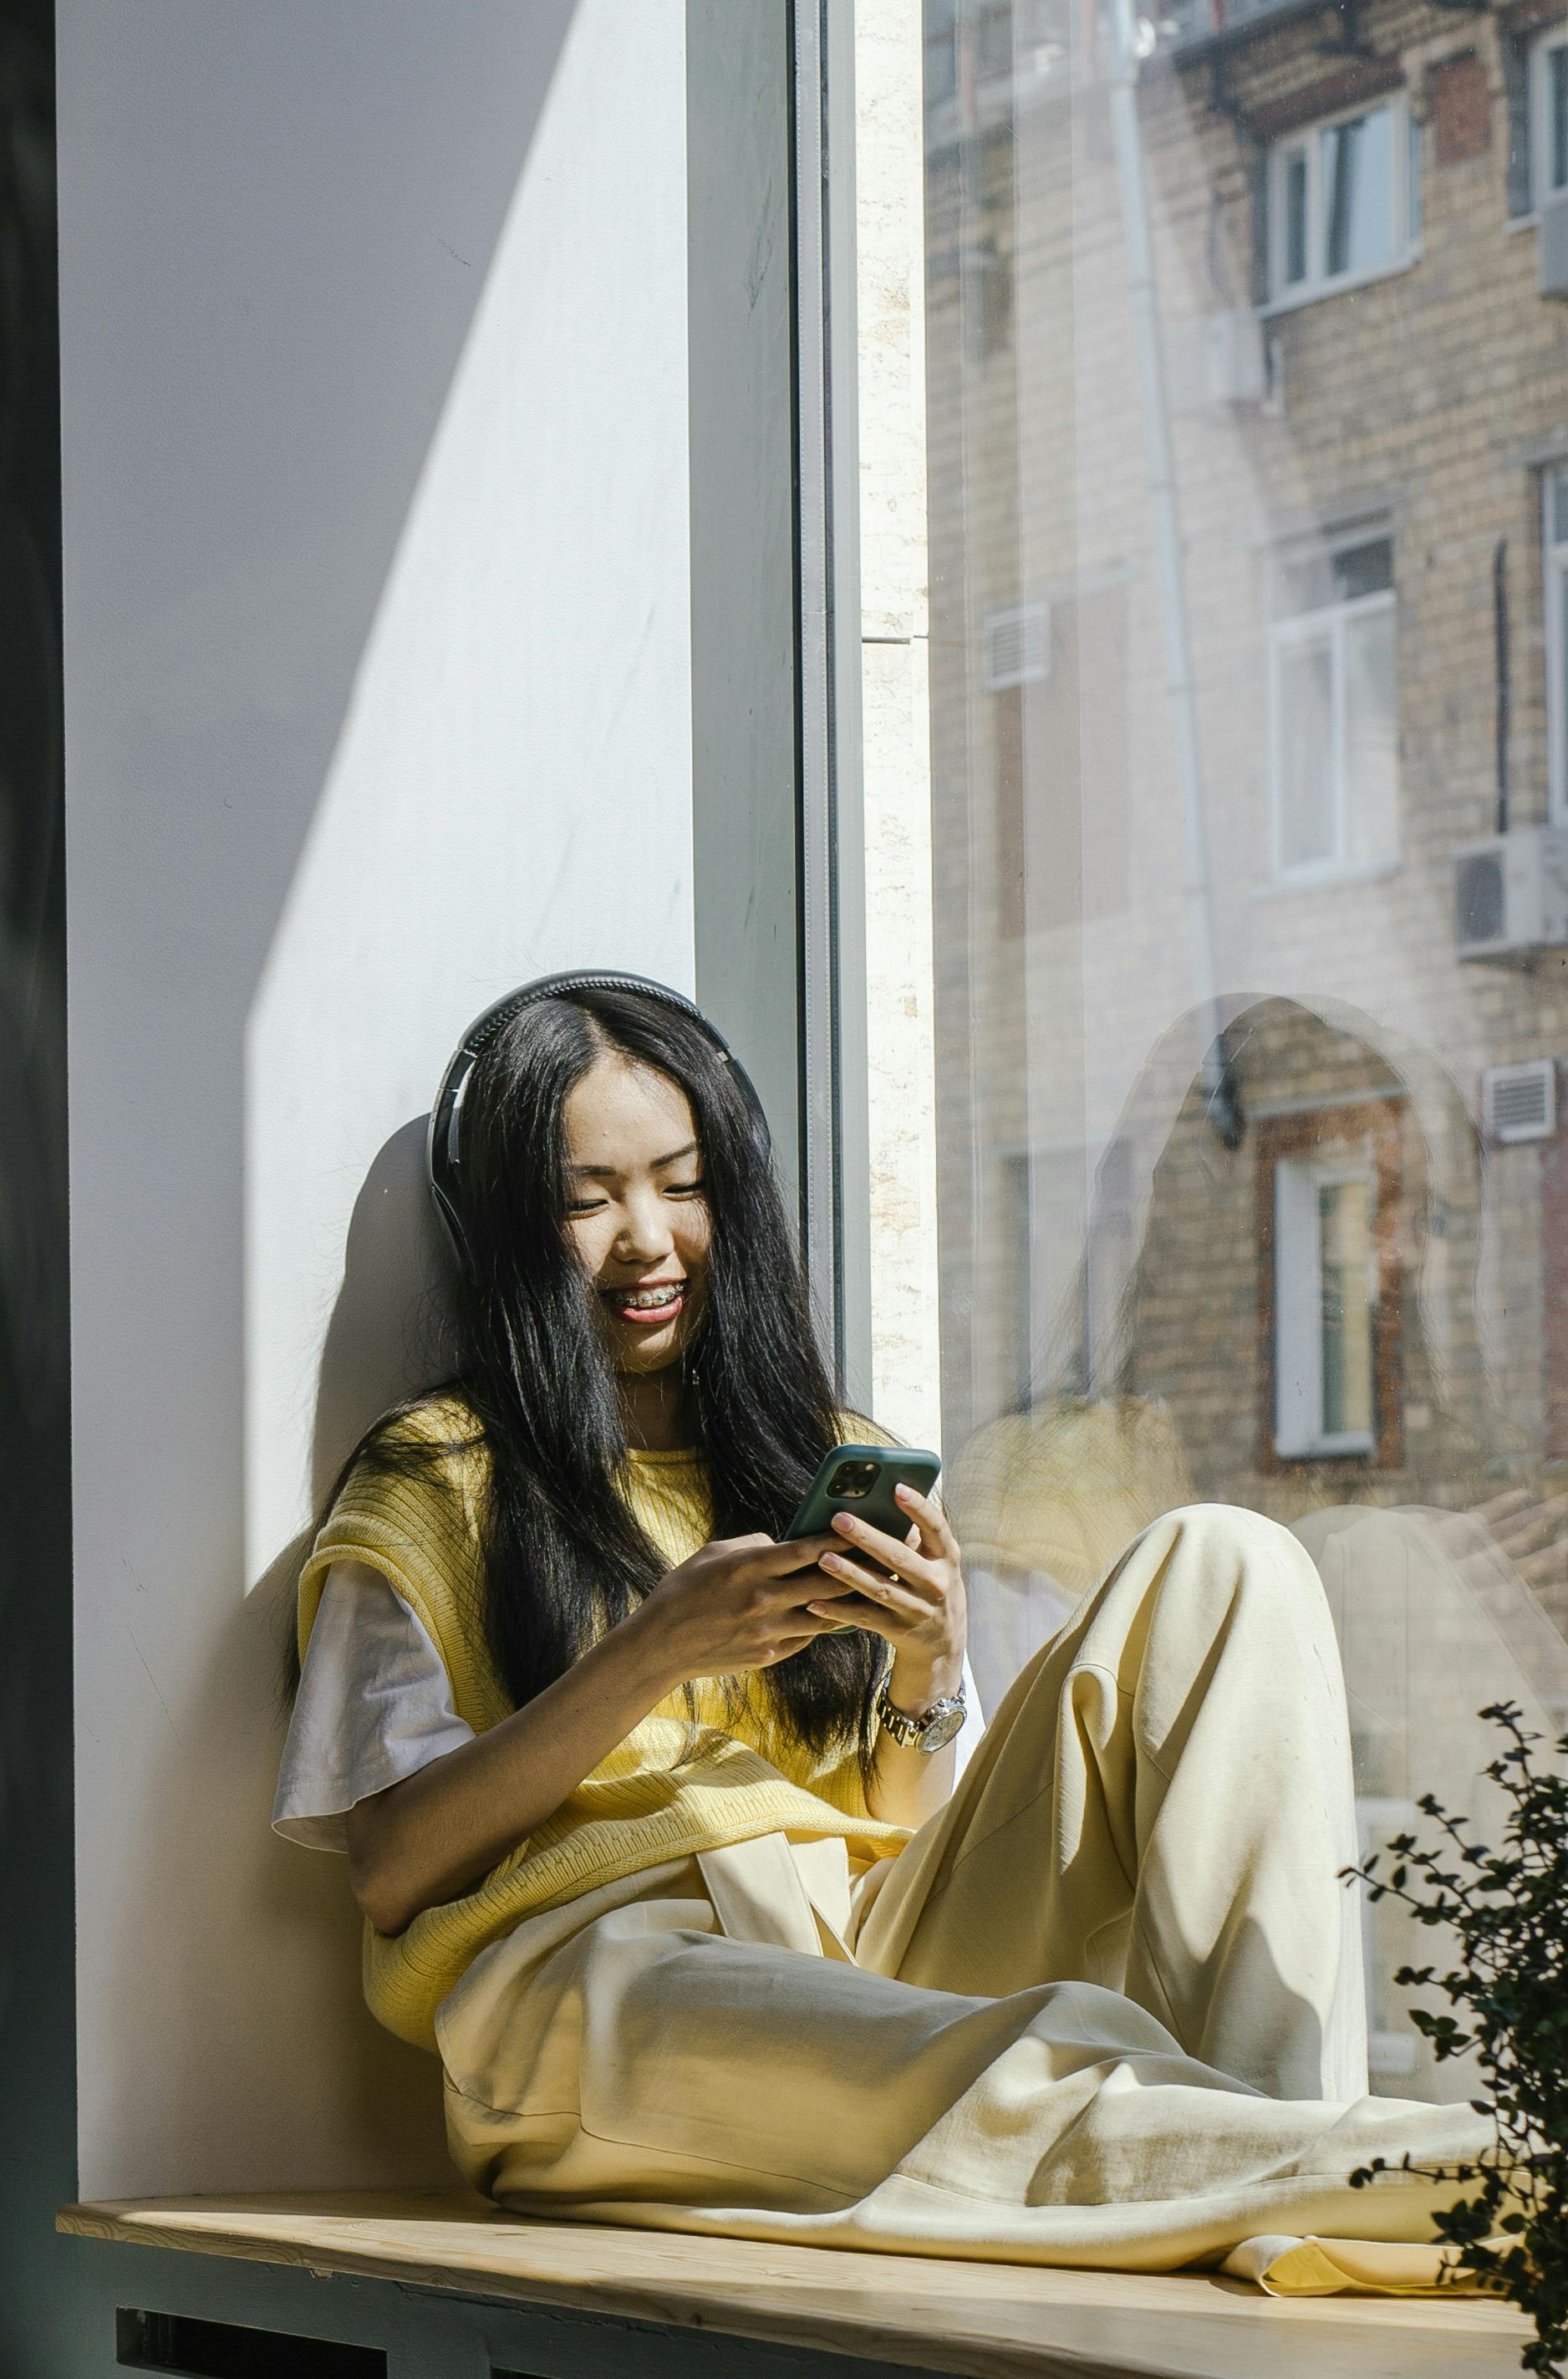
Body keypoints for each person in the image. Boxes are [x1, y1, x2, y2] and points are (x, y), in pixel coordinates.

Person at [276, 972, 1489, 2269]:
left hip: (861, 1942)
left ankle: (1294, 2177)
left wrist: (930, 1664)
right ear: (510, 1229)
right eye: (587, 1201)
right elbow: (391, 1866)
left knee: (1227, 1560)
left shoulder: (819, 1454)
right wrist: (652, 1650)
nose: (645, 1238)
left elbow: (893, 1832)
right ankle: (1474, 2181)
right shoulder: (437, 1475)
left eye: (681, 1185)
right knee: (1009, 2074)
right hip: (605, 1982)